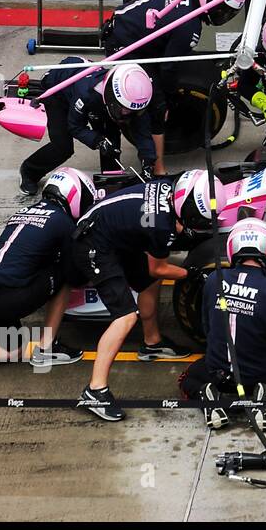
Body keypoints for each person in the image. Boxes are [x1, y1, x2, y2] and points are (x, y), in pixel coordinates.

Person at [70, 171, 212, 421]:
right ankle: (95, 390)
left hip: (112, 231)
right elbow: (159, 267)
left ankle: (153, 342)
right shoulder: (161, 226)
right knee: (125, 317)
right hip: (94, 246)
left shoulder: (168, 190)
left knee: (148, 281)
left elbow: (151, 271)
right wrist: (192, 274)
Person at [0, 168, 94, 372]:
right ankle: (46, 348)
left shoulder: (22, 213)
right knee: (66, 275)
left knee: (13, 350)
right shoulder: (62, 222)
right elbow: (75, 274)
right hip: (8, 298)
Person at [106, 0, 248, 173]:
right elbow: (168, 66)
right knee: (157, 103)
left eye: (228, 12)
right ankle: (157, 168)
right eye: (222, 10)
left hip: (125, 24)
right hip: (124, 45)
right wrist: (168, 96)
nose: (223, 16)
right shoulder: (189, 26)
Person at [178, 218, 266, 431]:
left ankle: (208, 397)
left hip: (217, 371)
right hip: (259, 373)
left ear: (233, 248)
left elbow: (205, 327)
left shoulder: (213, 279)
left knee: (186, 378)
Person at [19, 60, 156, 192]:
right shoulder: (86, 94)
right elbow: (75, 126)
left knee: (110, 141)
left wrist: (148, 163)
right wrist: (97, 140)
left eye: (133, 111)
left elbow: (143, 132)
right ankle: (29, 171)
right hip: (58, 91)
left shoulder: (136, 100)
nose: (129, 114)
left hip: (96, 97)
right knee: (62, 146)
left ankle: (111, 181)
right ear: (112, 97)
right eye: (125, 110)